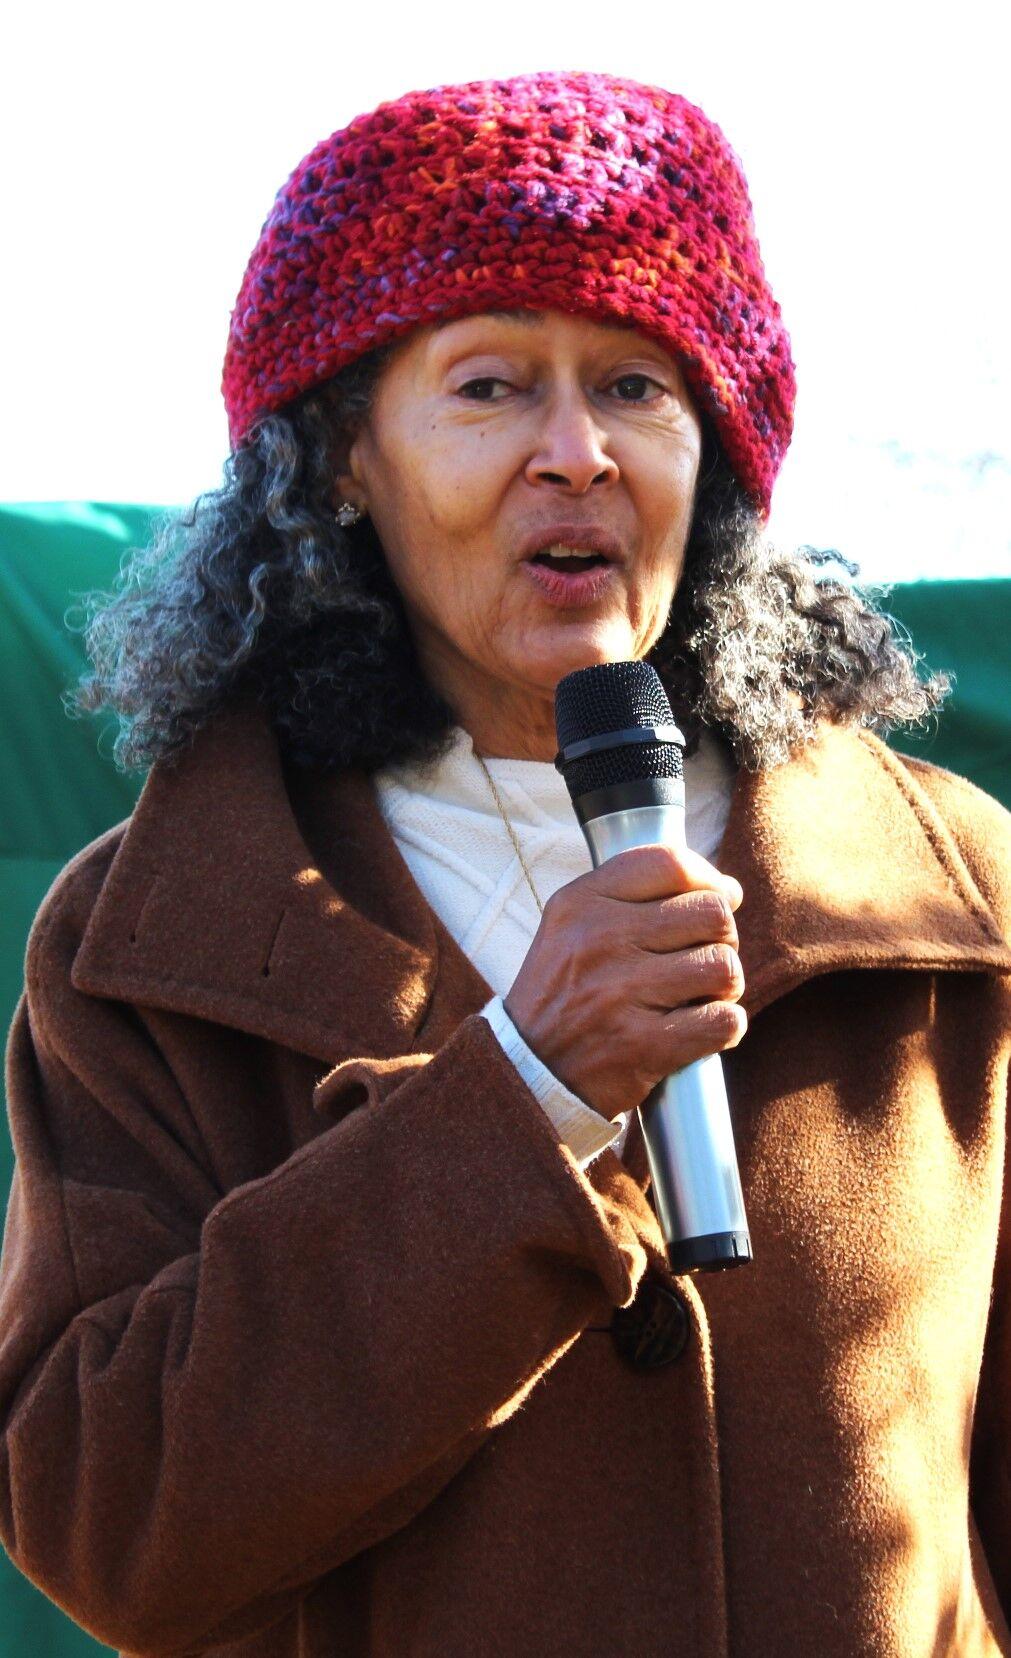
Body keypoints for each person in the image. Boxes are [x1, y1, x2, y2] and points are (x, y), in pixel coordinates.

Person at [1, 66, 1010, 1658]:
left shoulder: (959, 901)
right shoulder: (141, 944)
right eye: (489, 387)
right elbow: (104, 1524)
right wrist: (526, 1090)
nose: (576, 451)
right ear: (343, 461)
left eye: (636, 386)